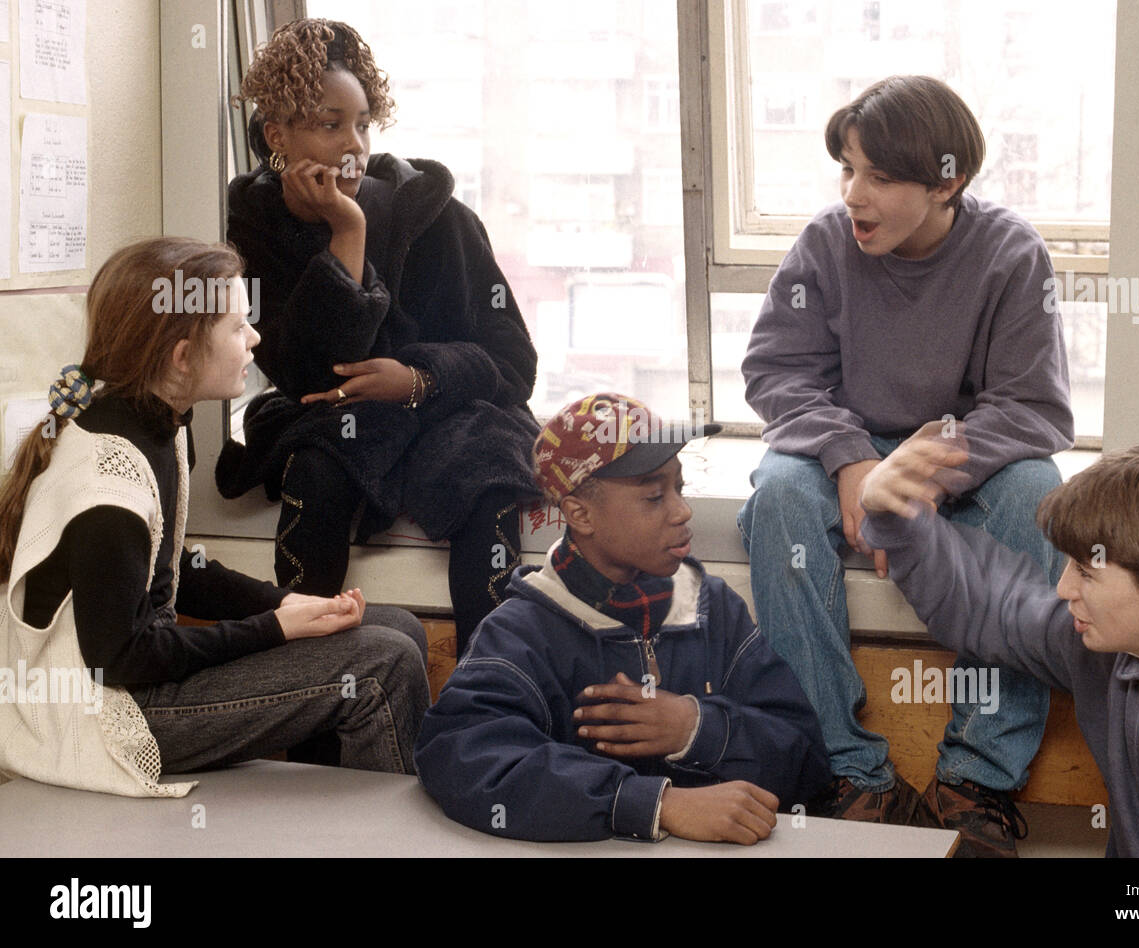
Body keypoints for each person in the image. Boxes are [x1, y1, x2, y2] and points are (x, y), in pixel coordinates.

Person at [737, 75, 1074, 855]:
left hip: (958, 453)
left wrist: (922, 473)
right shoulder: (825, 243)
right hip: (845, 447)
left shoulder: (1011, 255)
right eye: (848, 170)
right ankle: (846, 775)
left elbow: (1032, 409)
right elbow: (776, 374)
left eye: (881, 178)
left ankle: (976, 780)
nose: (855, 194)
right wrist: (855, 462)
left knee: (1037, 495)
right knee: (779, 494)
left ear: (947, 180)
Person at [0, 237, 431, 797]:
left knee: (397, 628)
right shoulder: (107, 484)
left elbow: (172, 566)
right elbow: (121, 658)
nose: (254, 338)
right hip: (100, 719)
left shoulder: (159, 421)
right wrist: (273, 629)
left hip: (135, 684)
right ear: (182, 356)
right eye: (236, 327)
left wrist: (283, 602)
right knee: (383, 666)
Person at [216, 18, 539, 655]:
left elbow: (514, 362)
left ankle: (492, 707)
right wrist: (348, 234)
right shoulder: (254, 229)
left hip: (454, 411)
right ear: (277, 135)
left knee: (489, 474)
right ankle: (308, 700)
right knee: (315, 471)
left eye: (363, 123)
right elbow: (311, 372)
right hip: (342, 423)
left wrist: (418, 378)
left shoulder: (439, 216)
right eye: (331, 124)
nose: (354, 145)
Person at [857, 423, 1139, 857]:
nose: (1065, 588)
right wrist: (895, 511)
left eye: (1086, 573)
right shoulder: (1123, 647)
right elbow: (989, 603)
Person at [414, 393, 831, 843]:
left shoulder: (715, 610)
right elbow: (461, 755)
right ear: (580, 513)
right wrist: (652, 802)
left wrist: (696, 728)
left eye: (680, 488)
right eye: (654, 496)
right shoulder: (521, 633)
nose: (682, 511)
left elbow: (807, 764)